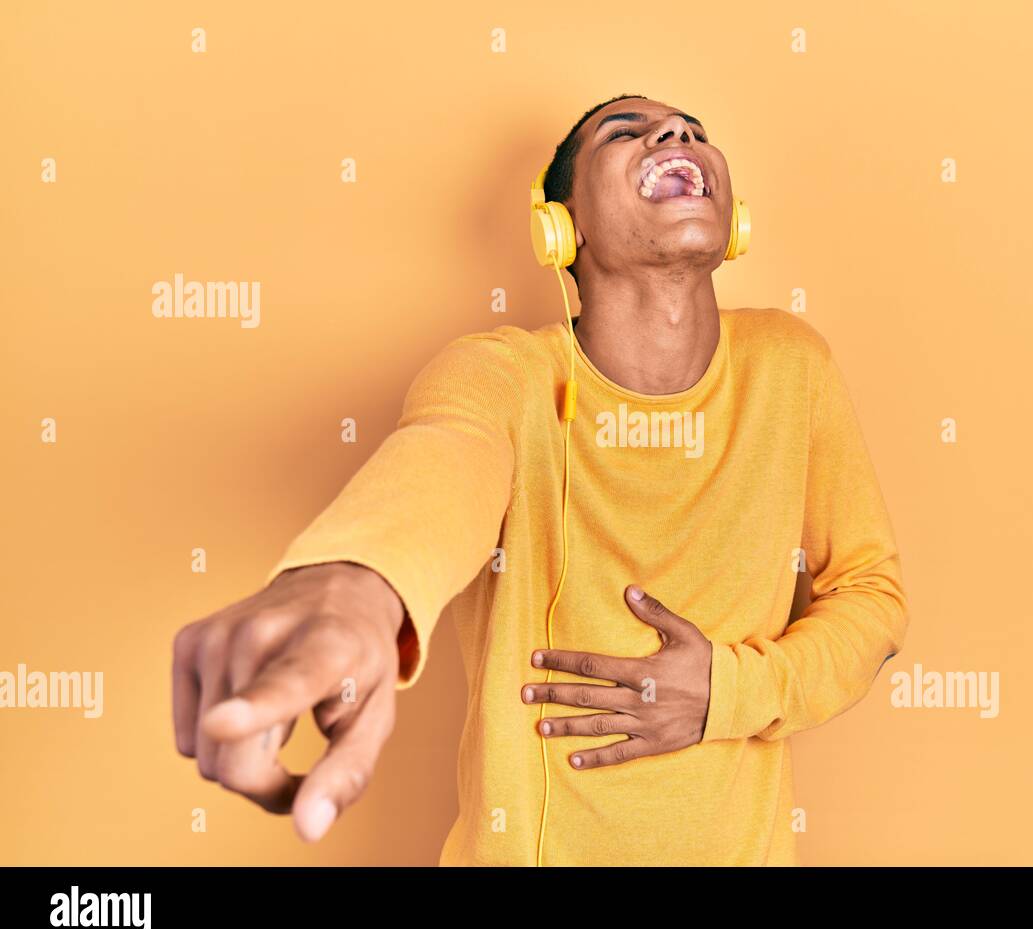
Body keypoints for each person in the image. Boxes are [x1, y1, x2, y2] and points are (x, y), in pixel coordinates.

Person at [171, 93, 910, 865]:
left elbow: (871, 596)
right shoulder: (503, 376)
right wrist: (359, 585)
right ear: (562, 227)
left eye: (694, 130)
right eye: (624, 133)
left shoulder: (793, 366)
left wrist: (730, 692)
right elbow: (443, 460)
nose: (676, 133)